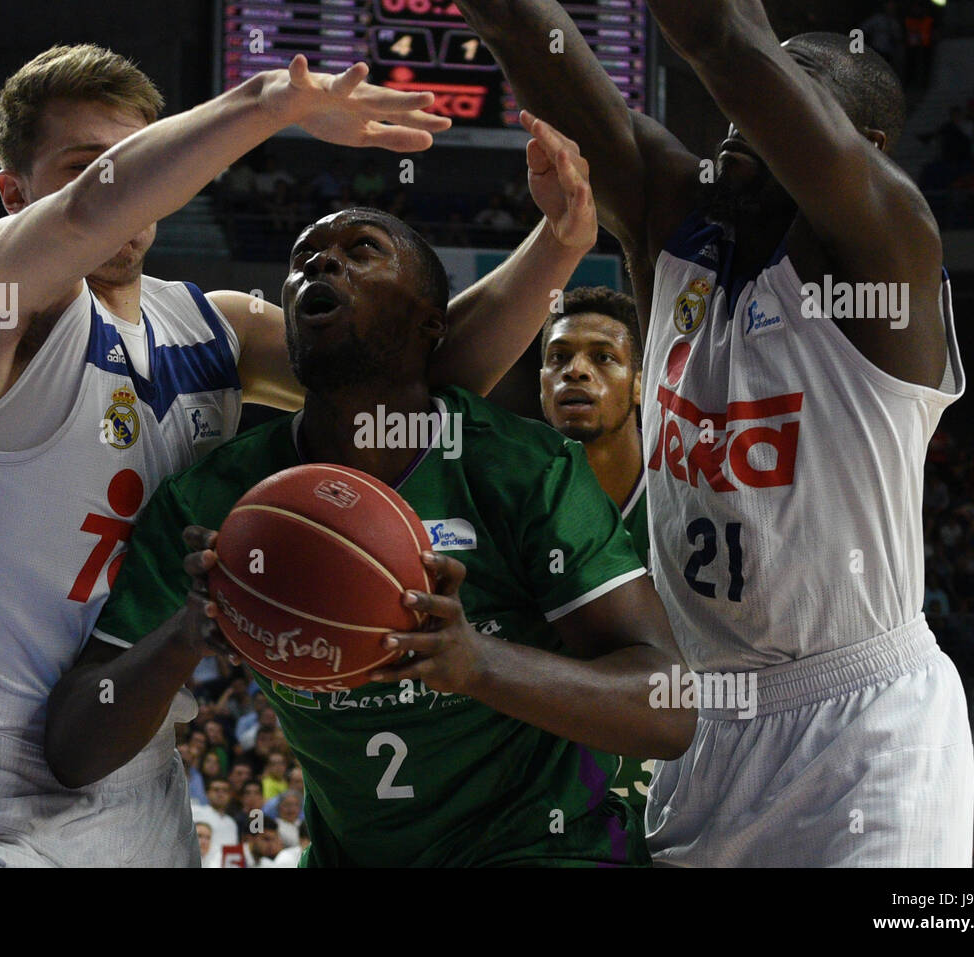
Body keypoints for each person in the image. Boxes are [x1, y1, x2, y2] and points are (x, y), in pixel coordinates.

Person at [0, 42, 602, 869]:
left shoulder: (214, 328)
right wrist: (268, 104)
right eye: (85, 167)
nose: (120, 190)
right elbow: (80, 219)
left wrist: (560, 242)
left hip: (137, 771)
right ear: (13, 192)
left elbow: (405, 381)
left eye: (134, 161)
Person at [456, 0, 971, 865]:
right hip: (704, 724)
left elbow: (721, 36)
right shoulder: (674, 228)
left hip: (867, 728)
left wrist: (748, 50)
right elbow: (519, 27)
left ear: (865, 149)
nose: (744, 109)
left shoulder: (891, 248)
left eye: (794, 84)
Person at [46, 202, 695, 866]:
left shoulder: (519, 468)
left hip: (545, 847)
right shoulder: (215, 500)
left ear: (430, 321)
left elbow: (668, 707)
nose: (321, 263)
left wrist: (479, 665)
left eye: (361, 250)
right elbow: (72, 748)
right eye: (303, 259)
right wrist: (187, 631)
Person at [538, 285, 655, 816]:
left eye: (603, 357)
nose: (576, 371)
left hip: (689, 803)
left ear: (639, 385)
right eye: (558, 358)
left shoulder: (690, 506)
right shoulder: (512, 513)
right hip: (554, 814)